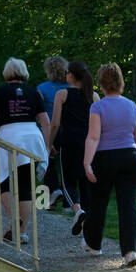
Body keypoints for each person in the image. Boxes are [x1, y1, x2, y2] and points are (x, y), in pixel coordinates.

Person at [0, 58, 50, 244]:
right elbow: (45, 122)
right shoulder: (33, 92)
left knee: (2, 179)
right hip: (31, 137)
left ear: (7, 72)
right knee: (26, 186)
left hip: (9, 135)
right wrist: (46, 145)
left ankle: (12, 217)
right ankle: (22, 232)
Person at [83, 63, 136, 266]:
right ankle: (130, 251)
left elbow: (93, 137)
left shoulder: (97, 107)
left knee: (98, 201)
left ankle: (93, 245)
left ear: (101, 84)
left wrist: (87, 163)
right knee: (127, 204)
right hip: (130, 157)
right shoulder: (132, 105)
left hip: (105, 159)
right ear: (120, 82)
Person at [47, 60, 94, 236]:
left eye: (67, 72)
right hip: (88, 142)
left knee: (67, 181)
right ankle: (88, 223)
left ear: (72, 75)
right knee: (86, 182)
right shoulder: (93, 96)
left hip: (68, 141)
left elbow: (55, 123)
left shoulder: (62, 94)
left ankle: (77, 210)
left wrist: (49, 143)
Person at [38, 56, 68, 208]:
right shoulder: (71, 87)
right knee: (67, 165)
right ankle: (69, 201)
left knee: (46, 162)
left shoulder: (42, 88)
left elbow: (38, 112)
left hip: (49, 128)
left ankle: (47, 199)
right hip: (69, 130)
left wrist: (47, 139)